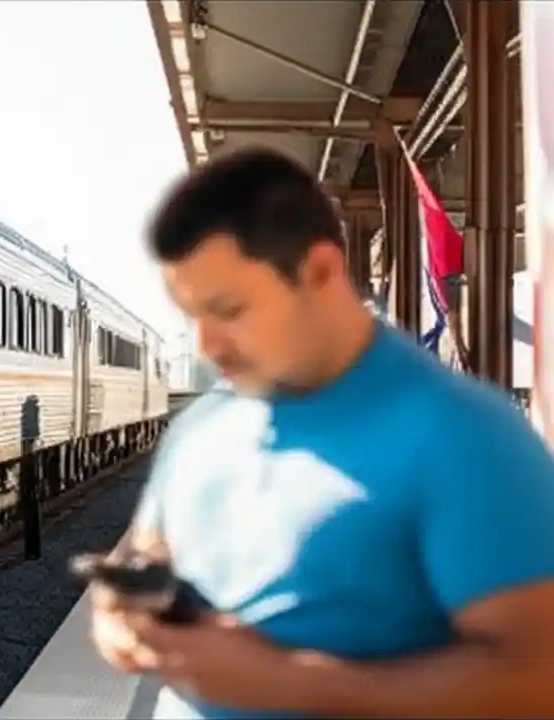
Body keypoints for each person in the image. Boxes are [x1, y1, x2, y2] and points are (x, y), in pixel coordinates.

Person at [89, 147, 554, 718]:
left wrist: (291, 684)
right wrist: (121, 619)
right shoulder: (201, 428)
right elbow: (140, 554)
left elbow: (535, 680)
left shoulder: (470, 439)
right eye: (194, 316)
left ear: (321, 272)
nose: (207, 345)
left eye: (229, 309)